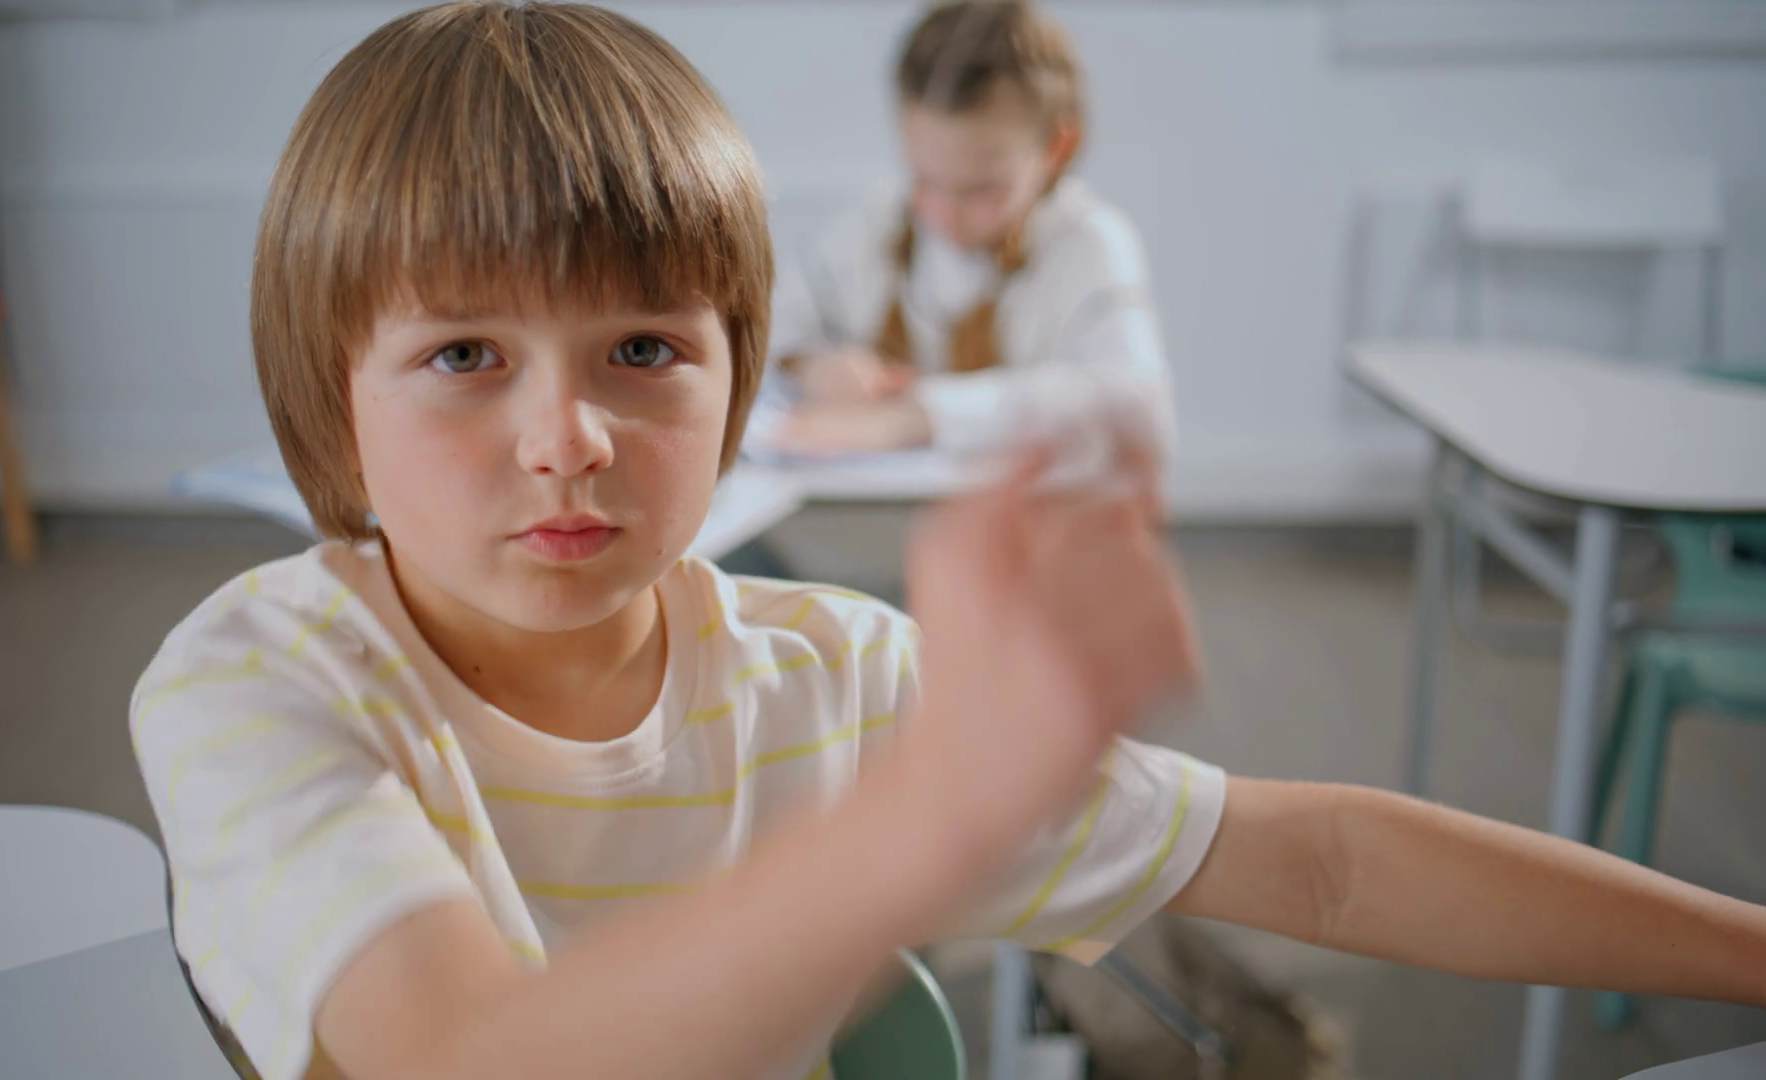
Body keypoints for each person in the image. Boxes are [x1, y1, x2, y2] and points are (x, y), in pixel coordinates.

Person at [131, 6, 1766, 1080]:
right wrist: (932, 821)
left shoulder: (835, 680)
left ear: (730, 378)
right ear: (330, 399)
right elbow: (469, 1059)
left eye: (644, 349)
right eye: (464, 357)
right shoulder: (257, 685)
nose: (567, 434)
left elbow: (1321, 858)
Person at [766, 0, 1169, 490]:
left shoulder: (1089, 244)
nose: (944, 213)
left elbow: (1133, 407)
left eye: (982, 189)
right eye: (924, 179)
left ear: (1056, 148)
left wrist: (919, 416)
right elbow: (776, 324)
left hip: (1039, 542)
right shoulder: (877, 226)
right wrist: (813, 367)